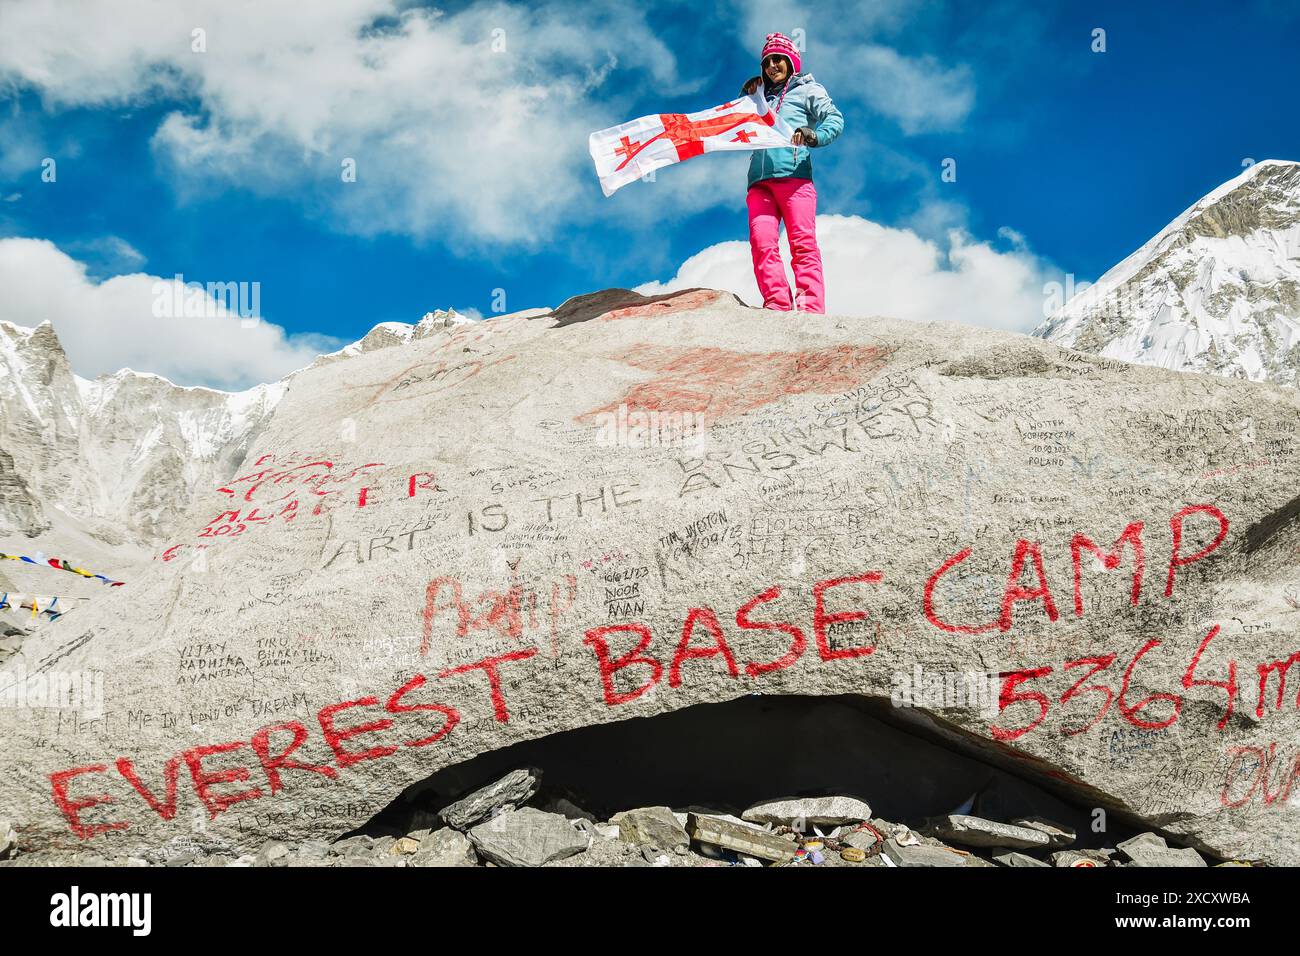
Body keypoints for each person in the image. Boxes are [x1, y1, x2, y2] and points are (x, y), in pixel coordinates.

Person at [740, 33, 843, 314]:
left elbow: (834, 119)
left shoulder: (807, 89)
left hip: (795, 178)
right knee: (762, 243)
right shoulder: (757, 96)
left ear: (790, 61)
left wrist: (813, 135)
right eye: (767, 62)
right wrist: (746, 94)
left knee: (802, 244)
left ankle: (811, 311)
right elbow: (737, 124)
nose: (772, 65)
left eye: (778, 59)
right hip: (759, 184)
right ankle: (777, 305)